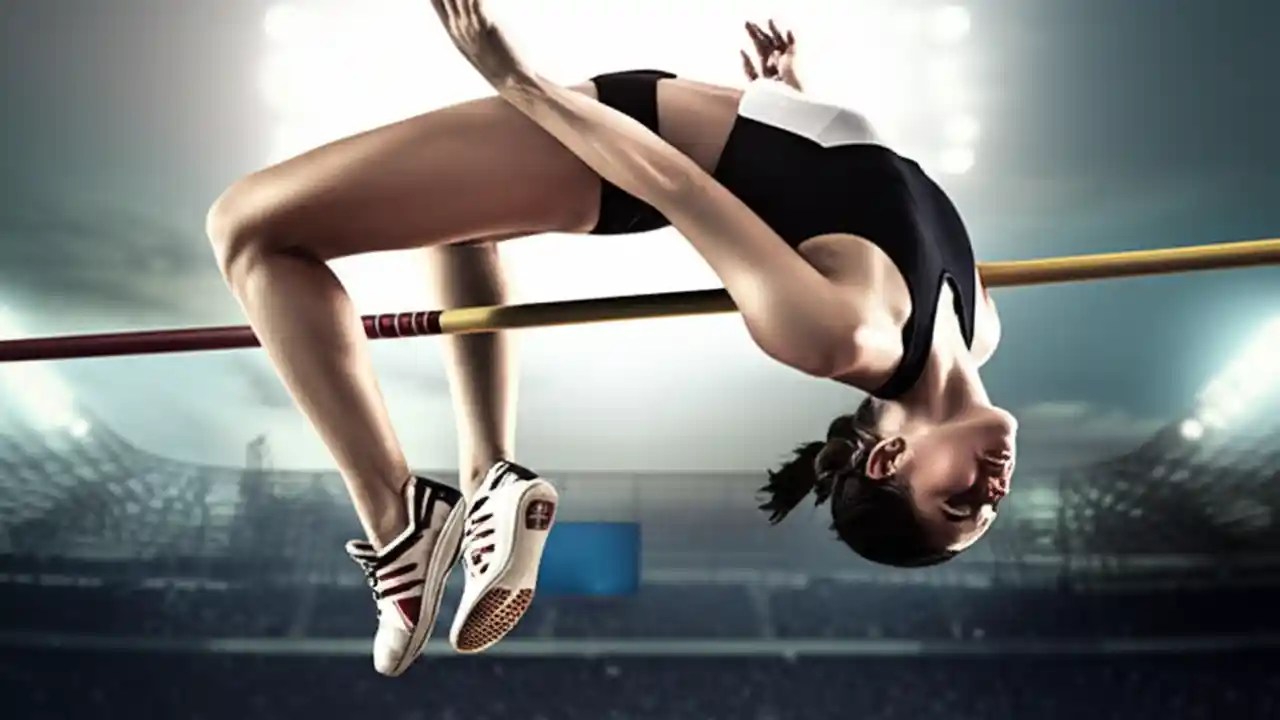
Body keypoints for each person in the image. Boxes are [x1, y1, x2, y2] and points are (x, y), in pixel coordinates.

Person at [204, 1, 1016, 675]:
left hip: (623, 141)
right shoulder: (980, 326)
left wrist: (515, 80)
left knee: (249, 228)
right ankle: (489, 479)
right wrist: (790, 94)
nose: (989, 495)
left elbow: (674, 180)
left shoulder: (837, 337)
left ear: (887, 460)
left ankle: (397, 524)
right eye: (986, 511)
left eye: (957, 506)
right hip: (647, 128)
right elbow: (850, 192)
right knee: (455, 226)